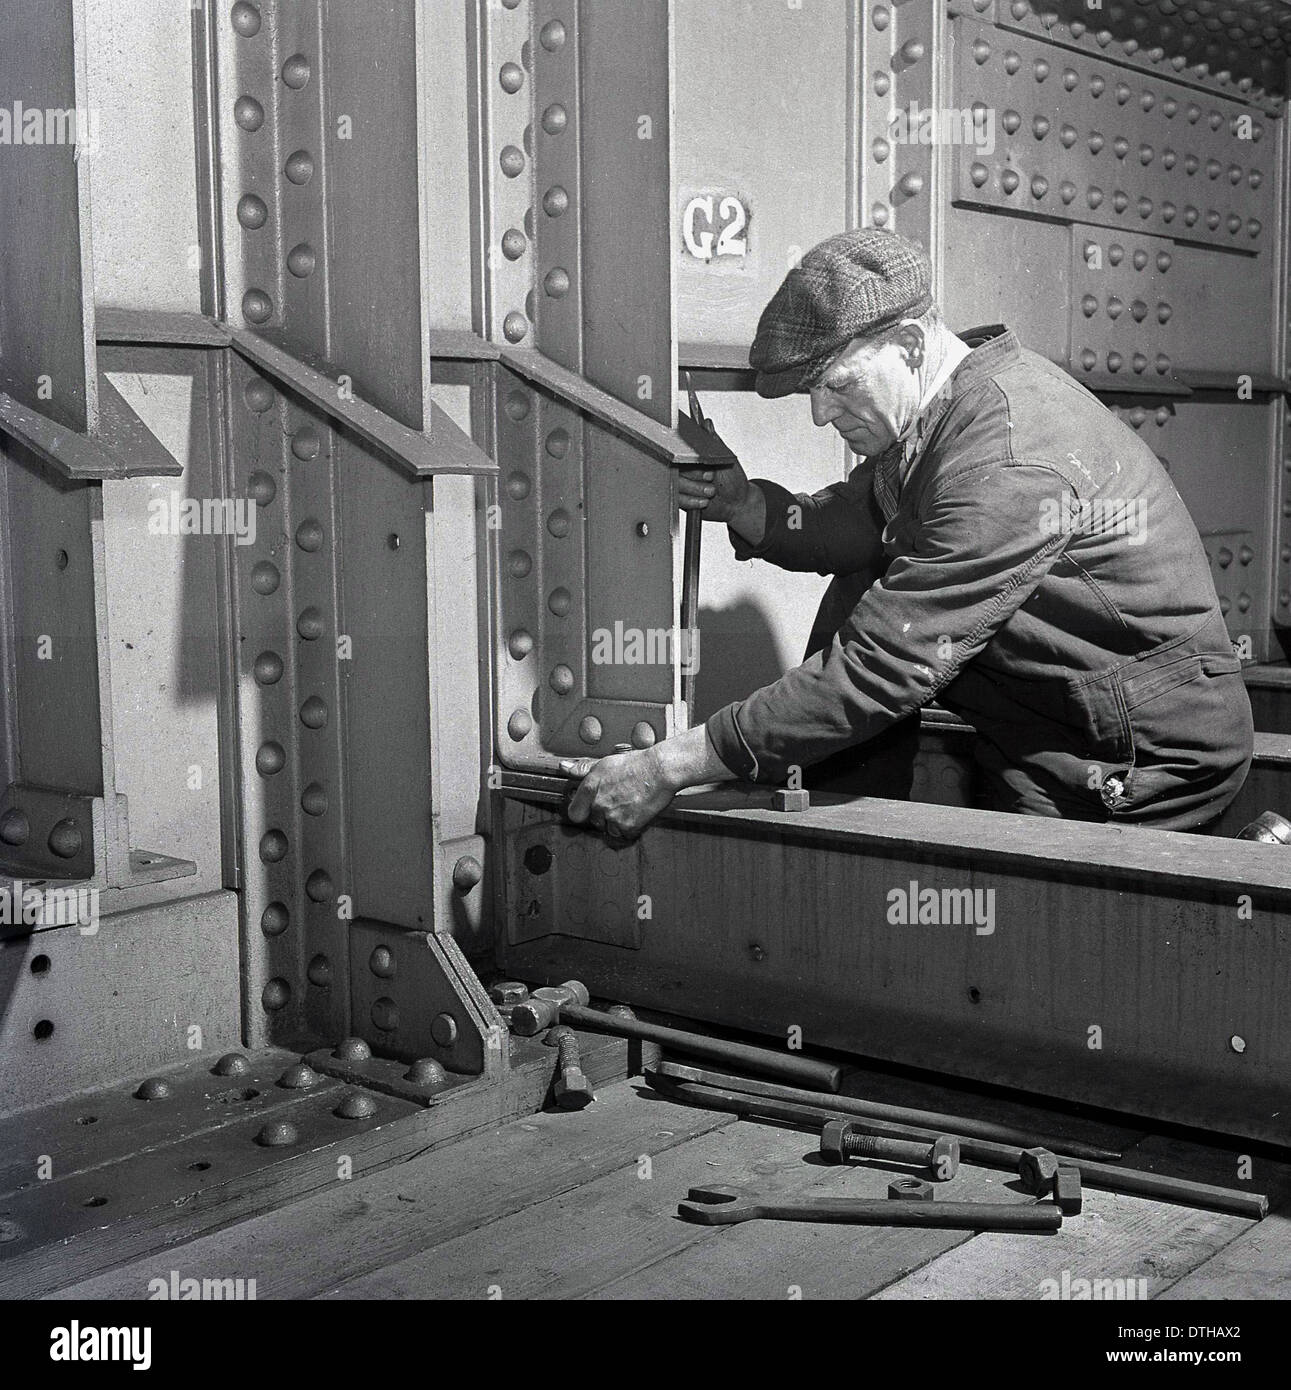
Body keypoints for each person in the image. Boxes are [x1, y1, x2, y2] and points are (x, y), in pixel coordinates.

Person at [563, 228, 1253, 840]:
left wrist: (668, 764)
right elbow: (855, 526)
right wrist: (741, 501)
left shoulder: (1004, 462)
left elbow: (879, 666)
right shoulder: (948, 413)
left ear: (910, 344)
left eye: (834, 386)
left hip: (1137, 757)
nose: (817, 414)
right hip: (1042, 728)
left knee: (1023, 955)